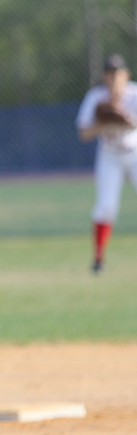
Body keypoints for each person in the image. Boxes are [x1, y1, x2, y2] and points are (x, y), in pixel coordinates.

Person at [76, 53, 137, 273]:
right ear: (104, 77)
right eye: (109, 74)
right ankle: (98, 259)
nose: (113, 78)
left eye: (117, 74)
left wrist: (125, 120)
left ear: (126, 75)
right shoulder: (96, 96)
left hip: (134, 154)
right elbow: (84, 133)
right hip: (110, 157)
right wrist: (104, 124)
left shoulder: (135, 93)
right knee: (106, 207)